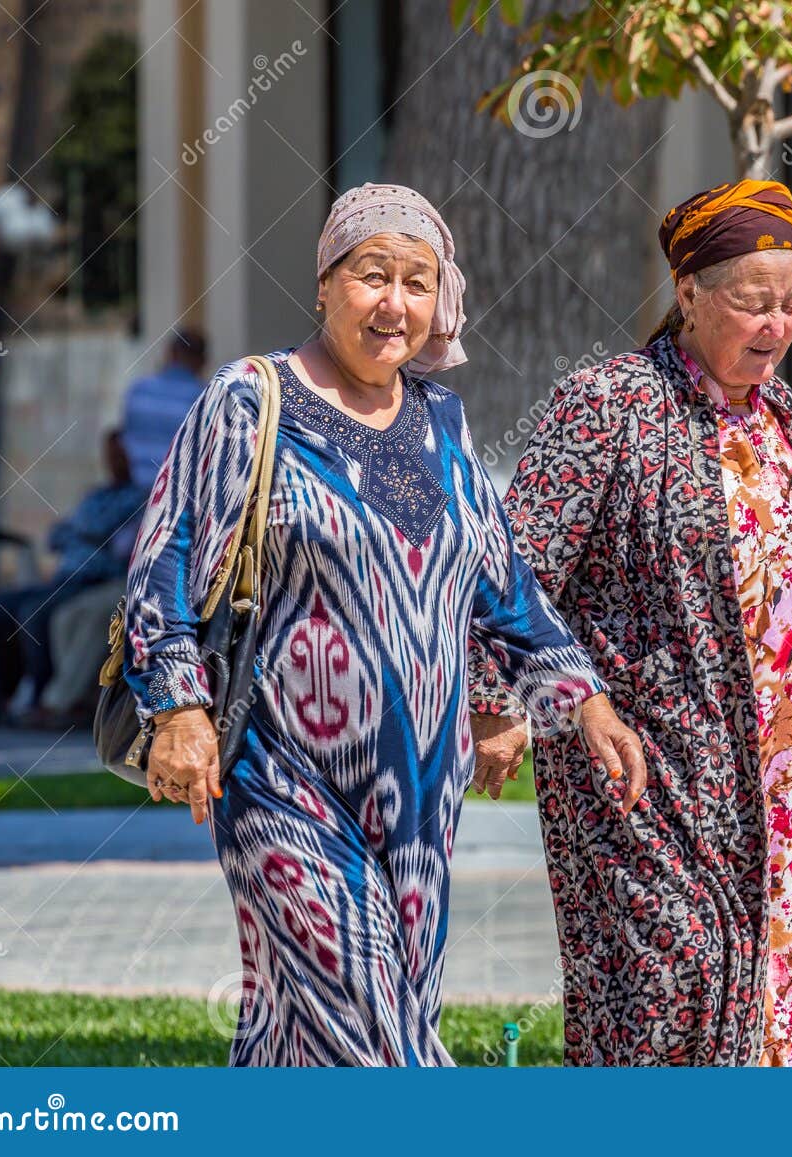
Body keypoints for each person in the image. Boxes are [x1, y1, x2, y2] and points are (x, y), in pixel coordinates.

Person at [124, 182, 645, 1067]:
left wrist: (585, 699)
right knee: (376, 1027)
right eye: (373, 276)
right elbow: (165, 558)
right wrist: (177, 709)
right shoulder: (251, 402)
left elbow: (501, 583)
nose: (394, 303)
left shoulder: (441, 420)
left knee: (300, 1033)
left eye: (417, 281)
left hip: (418, 794)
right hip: (276, 774)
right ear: (326, 283)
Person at [468, 180, 792, 1066]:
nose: (777, 326)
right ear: (688, 292)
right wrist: (500, 698)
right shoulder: (608, 405)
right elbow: (509, 570)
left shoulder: (789, 419)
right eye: (753, 303)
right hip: (651, 765)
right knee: (674, 985)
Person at [0, 430, 144, 725]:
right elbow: (55, 536)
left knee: (34, 613)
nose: (114, 460)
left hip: (92, 580)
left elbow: (119, 545)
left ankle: (39, 699)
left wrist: (84, 533)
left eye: (121, 453)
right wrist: (86, 533)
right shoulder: (94, 496)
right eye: (110, 453)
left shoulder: (140, 498)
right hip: (61, 578)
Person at [122, 328, 207, 492]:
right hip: (173, 497)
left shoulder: (138, 389)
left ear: (170, 354)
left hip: (132, 492)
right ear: (202, 361)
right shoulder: (202, 397)